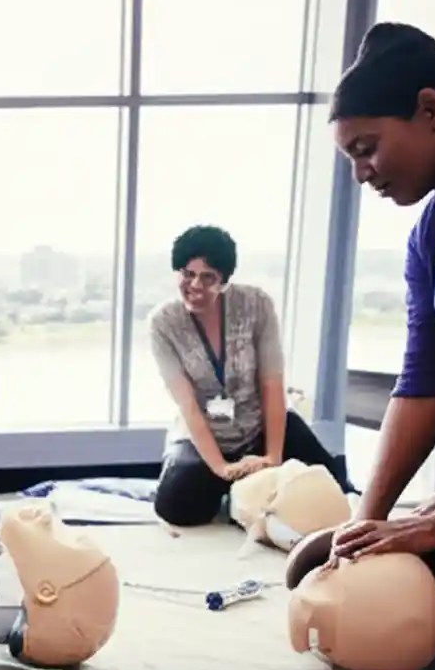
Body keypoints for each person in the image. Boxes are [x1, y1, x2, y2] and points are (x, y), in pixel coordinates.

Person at [286, 22, 435, 625]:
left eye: (366, 148)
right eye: (350, 158)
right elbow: (428, 380)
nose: (361, 173)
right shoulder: (431, 233)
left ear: (431, 110)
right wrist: (365, 521)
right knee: (315, 563)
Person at [149, 225, 355, 527]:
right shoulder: (163, 323)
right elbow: (187, 403)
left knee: (333, 490)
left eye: (209, 277)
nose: (195, 285)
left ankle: (252, 482)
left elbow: (271, 384)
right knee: (175, 508)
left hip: (258, 425)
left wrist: (272, 457)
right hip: (203, 434)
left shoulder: (256, 305)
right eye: (187, 273)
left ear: (224, 280)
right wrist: (221, 467)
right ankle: (237, 490)